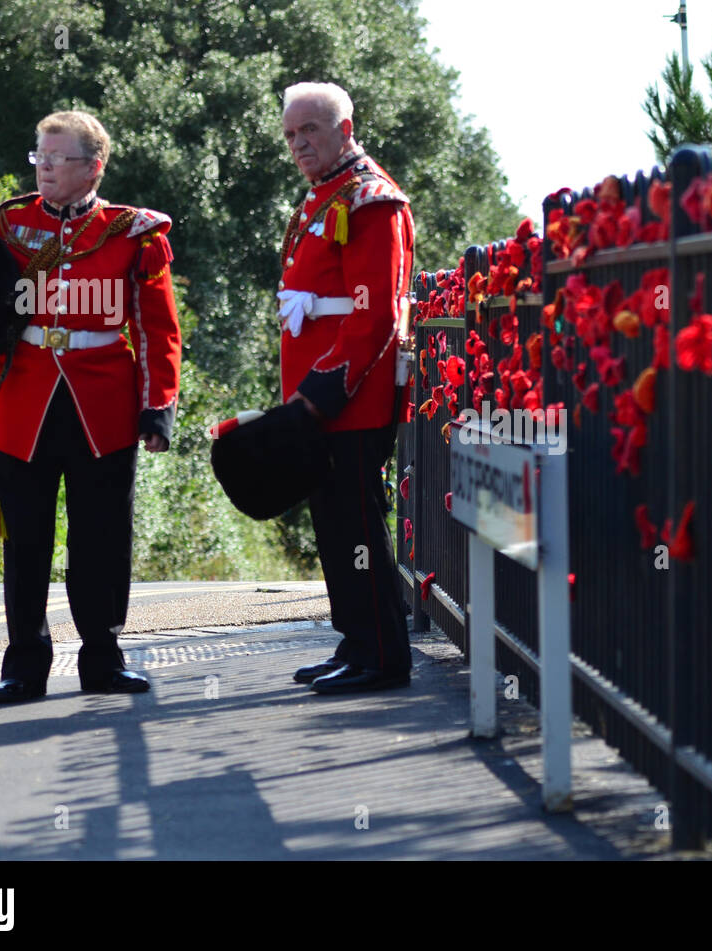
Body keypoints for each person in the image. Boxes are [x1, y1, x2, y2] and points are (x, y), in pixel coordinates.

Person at [0, 110, 181, 703]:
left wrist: (157, 406)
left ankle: (104, 659)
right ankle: (23, 664)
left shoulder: (132, 233)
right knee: (26, 538)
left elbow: (154, 329)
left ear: (94, 166)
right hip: (22, 399)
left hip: (104, 405)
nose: (43, 169)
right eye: (38, 157)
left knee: (101, 537)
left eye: (57, 159)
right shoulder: (1, 226)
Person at [277, 82, 414, 694]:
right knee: (334, 526)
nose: (299, 143)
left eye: (310, 129)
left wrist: (320, 392)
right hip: (319, 397)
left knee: (357, 524)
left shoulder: (370, 199)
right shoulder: (326, 195)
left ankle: (383, 655)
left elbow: (374, 315)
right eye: (290, 134)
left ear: (345, 127)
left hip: (348, 398)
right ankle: (356, 641)